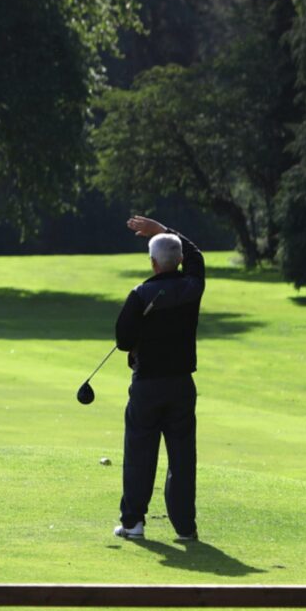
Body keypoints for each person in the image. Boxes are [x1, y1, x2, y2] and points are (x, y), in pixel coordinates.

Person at [113, 215, 205, 542]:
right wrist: (164, 230)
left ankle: (133, 523)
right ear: (177, 261)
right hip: (181, 384)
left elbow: (123, 339)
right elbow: (197, 258)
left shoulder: (140, 295)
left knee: (140, 452)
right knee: (182, 457)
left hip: (147, 384)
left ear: (153, 263)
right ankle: (184, 527)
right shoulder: (192, 287)